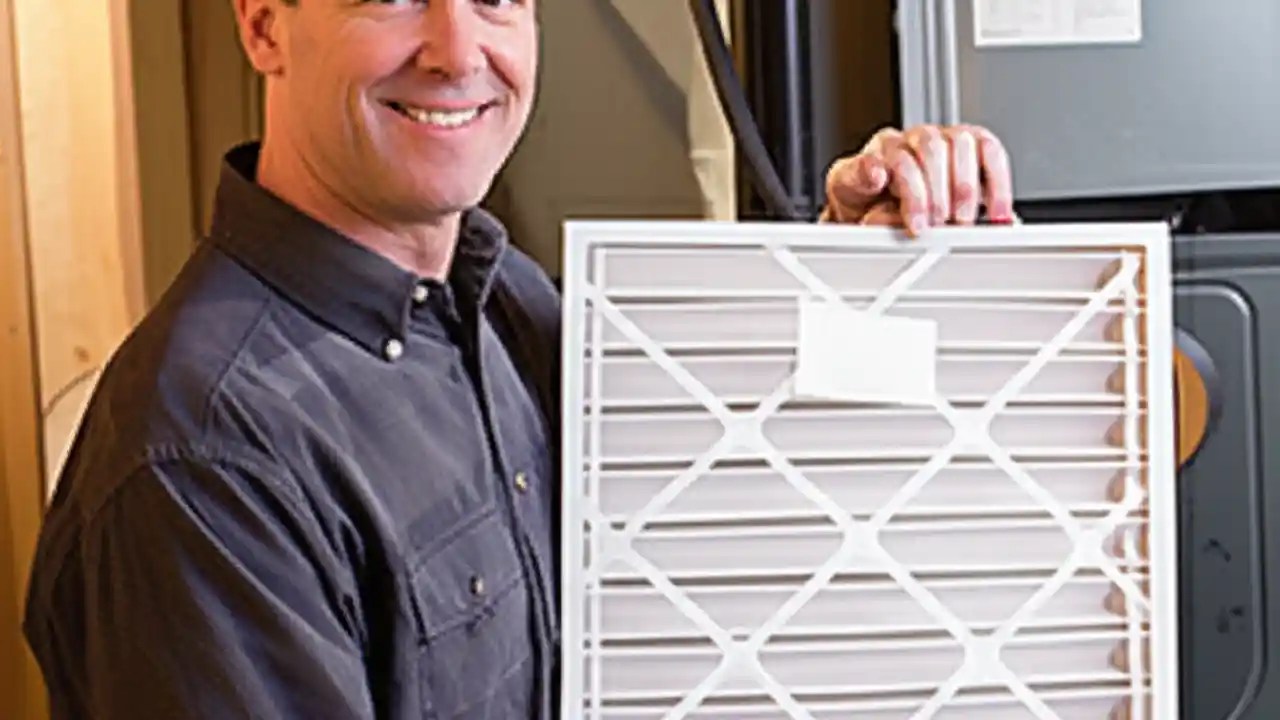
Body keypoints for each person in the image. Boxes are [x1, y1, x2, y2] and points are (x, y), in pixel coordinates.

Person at [22, 1, 1047, 718]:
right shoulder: (205, 464)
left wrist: (859, 269)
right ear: (263, 23)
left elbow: (723, 539)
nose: (455, 49)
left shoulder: (501, 299)